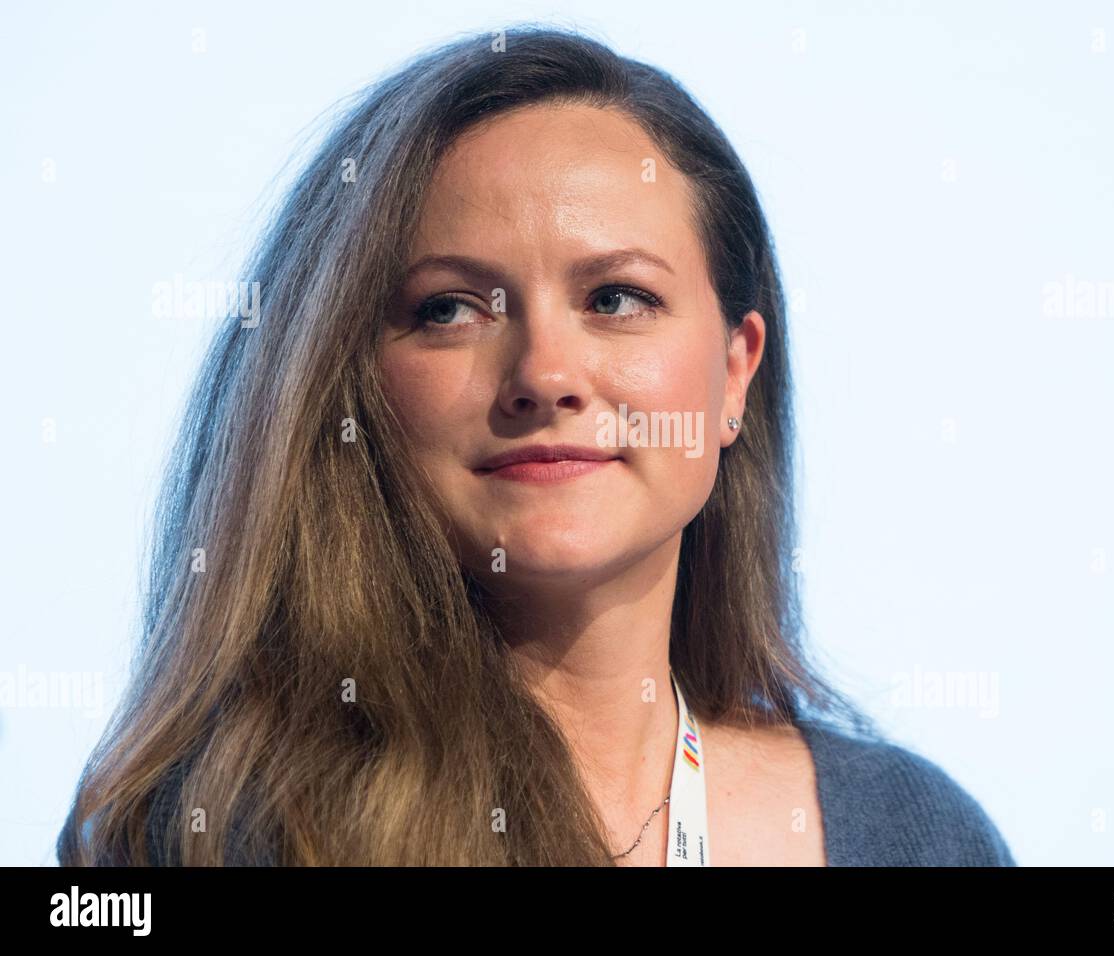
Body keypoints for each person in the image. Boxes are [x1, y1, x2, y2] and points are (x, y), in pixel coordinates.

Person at [57, 24, 1015, 867]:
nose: (544, 372)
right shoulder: (217, 831)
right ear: (347, 382)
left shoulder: (915, 834)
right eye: (452, 309)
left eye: (615, 299)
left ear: (734, 374)